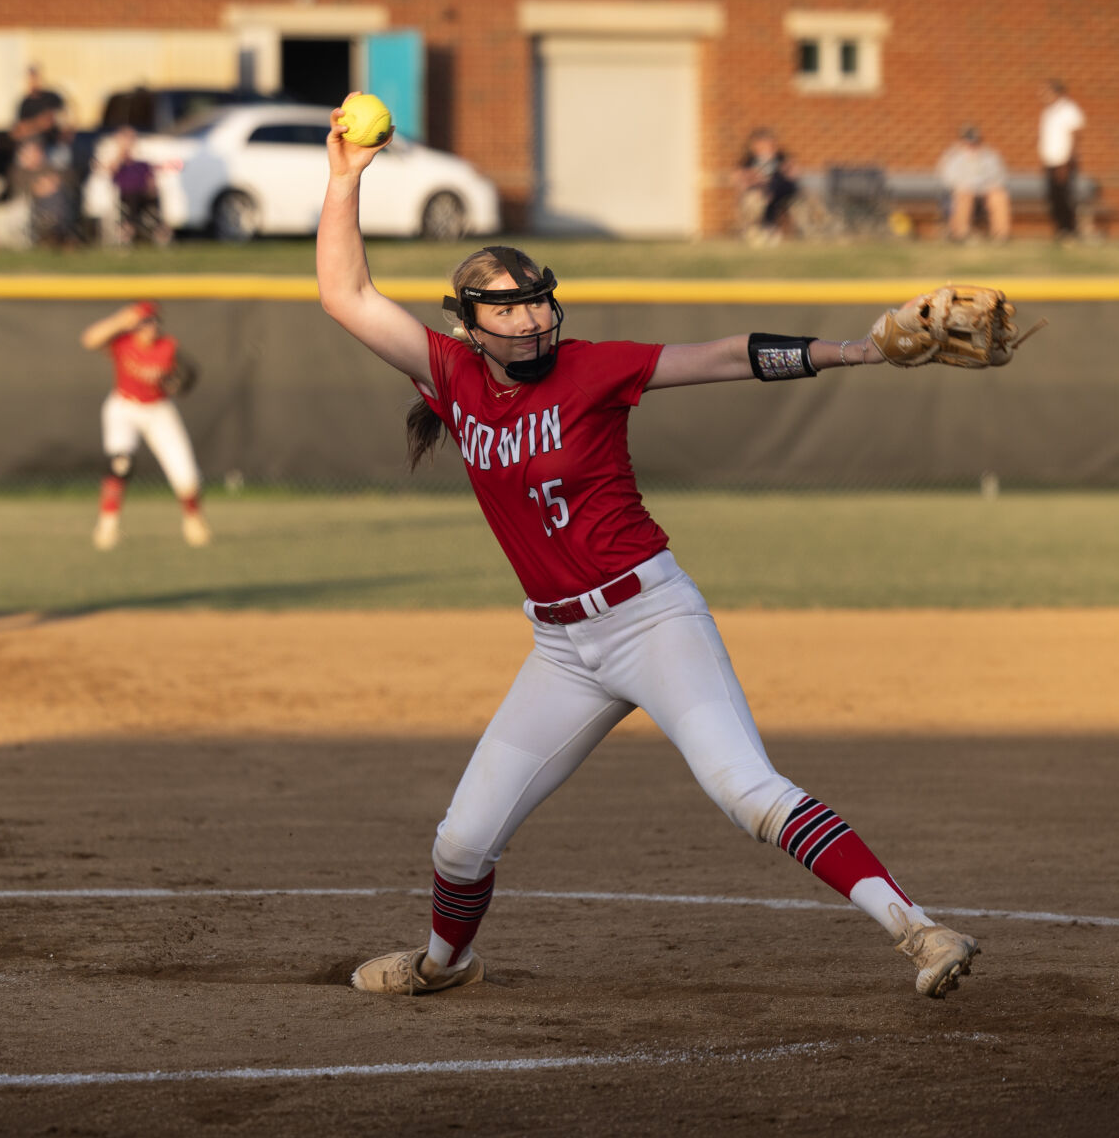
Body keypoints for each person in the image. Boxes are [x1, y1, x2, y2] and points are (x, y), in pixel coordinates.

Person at [317, 93, 981, 1001]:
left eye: (535, 303)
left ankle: (921, 931)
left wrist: (858, 350)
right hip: (560, 647)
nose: (528, 320)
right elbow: (343, 295)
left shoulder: (594, 366)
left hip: (648, 615)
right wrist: (343, 177)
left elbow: (721, 355)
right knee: (461, 840)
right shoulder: (451, 376)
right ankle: (443, 963)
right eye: (505, 312)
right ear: (470, 326)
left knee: (745, 789)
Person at [79, 301, 209, 551]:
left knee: (187, 477)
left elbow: (186, 376)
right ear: (134, 325)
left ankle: (193, 519)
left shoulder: (167, 346)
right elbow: (89, 339)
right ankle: (108, 524)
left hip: (158, 409)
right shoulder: (122, 341)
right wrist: (120, 320)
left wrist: (177, 383)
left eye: (152, 321)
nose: (148, 327)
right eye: (143, 322)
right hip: (124, 407)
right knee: (120, 463)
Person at [936, 126, 1011, 243]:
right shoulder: (953, 157)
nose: (972, 145)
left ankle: (1000, 235)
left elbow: (1000, 177)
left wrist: (990, 187)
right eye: (968, 141)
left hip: (985, 193)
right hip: (962, 192)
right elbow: (946, 179)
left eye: (975, 141)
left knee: (999, 196)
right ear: (962, 141)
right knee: (964, 194)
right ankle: (961, 234)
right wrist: (961, 186)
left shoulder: (990, 156)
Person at [732, 128, 800, 245]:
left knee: (774, 185)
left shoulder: (780, 157)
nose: (763, 147)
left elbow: (793, 173)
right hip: (758, 191)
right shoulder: (749, 160)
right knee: (758, 199)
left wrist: (786, 170)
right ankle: (761, 230)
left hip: (780, 191)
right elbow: (738, 177)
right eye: (759, 144)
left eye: (766, 143)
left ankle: (768, 228)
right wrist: (752, 179)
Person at [1037, 79, 1086, 242]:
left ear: (1056, 92)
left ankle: (1070, 230)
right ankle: (1060, 230)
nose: (1043, 95)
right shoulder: (1048, 112)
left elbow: (1075, 136)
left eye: (1046, 91)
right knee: (1054, 197)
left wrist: (1068, 161)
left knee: (1066, 197)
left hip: (1064, 162)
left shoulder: (1069, 110)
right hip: (1051, 161)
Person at [13, 64, 69, 155]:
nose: (33, 81)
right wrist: (37, 123)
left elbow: (60, 119)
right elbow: (18, 130)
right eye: (31, 78)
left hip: (53, 145)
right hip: (33, 147)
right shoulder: (25, 103)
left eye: (35, 77)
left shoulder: (52, 98)